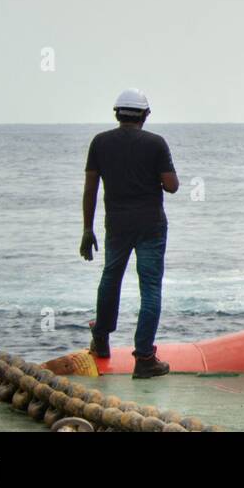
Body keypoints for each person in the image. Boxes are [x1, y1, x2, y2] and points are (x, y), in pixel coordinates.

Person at [80, 88, 178, 379]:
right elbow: (171, 186)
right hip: (151, 226)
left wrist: (87, 229)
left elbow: (90, 190)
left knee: (111, 278)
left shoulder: (100, 143)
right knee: (150, 288)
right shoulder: (156, 144)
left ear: (117, 114)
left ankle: (101, 339)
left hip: (117, 226)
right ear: (145, 115)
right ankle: (144, 358)